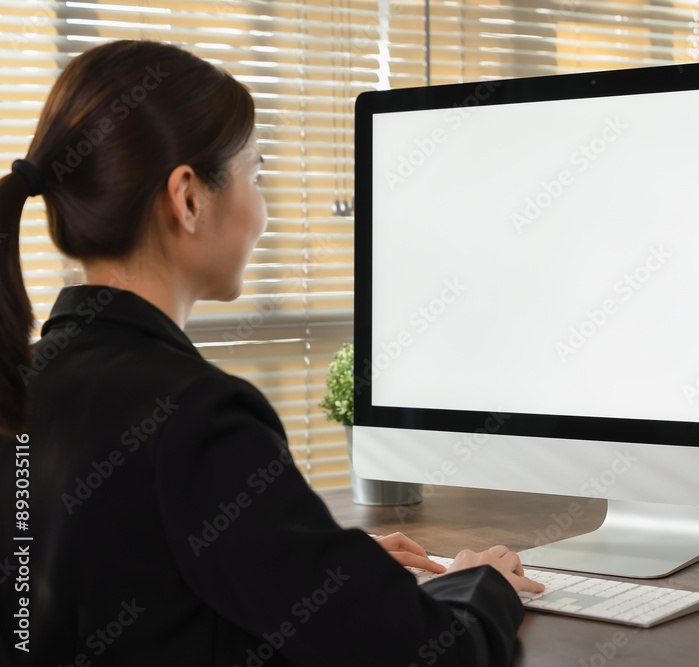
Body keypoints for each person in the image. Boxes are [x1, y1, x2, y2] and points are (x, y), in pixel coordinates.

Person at [0, 40, 542, 666]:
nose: (261, 213)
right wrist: (481, 588)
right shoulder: (195, 413)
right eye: (254, 176)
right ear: (189, 198)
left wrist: (324, 572)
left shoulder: (27, 384)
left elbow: (134, 606)